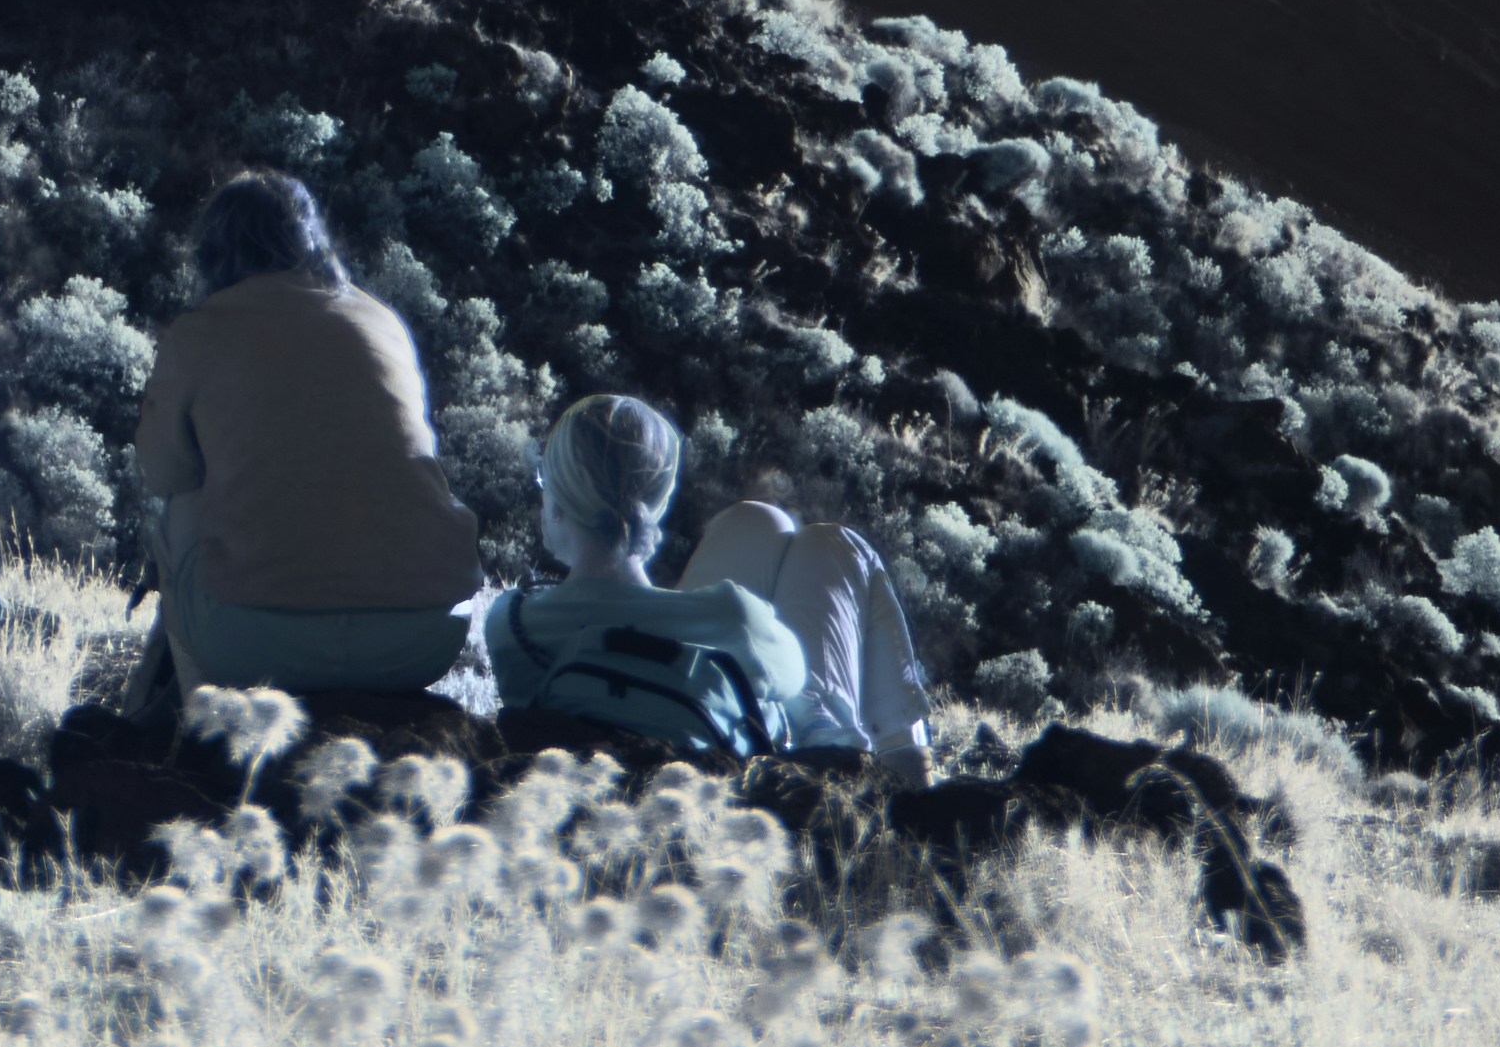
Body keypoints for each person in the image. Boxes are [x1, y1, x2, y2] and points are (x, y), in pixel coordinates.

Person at [127, 173, 485, 695]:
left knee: (182, 507)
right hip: (428, 634)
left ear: (213, 251)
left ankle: (201, 731)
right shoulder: (382, 321)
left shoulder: (200, 330)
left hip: (261, 644)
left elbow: (163, 471)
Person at [488, 394, 927, 763]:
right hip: (749, 756)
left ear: (559, 505)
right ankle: (906, 761)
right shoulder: (735, 620)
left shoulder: (511, 624)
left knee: (756, 520)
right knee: (836, 545)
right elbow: (796, 678)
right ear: (657, 504)